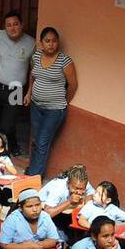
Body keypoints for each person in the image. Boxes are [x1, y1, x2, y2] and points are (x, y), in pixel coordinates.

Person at [24, 26, 76, 179]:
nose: (51, 44)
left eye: (54, 41)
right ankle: (33, 169)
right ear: (41, 42)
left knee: (42, 142)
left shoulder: (64, 61)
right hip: (36, 106)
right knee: (35, 140)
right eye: (47, 41)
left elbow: (73, 84)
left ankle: (34, 177)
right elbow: (33, 76)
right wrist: (28, 93)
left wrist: (64, 102)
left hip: (54, 110)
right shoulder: (36, 57)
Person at [0, 10, 34, 156]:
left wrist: (29, 92)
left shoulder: (31, 43)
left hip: (16, 89)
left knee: (8, 124)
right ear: (5, 27)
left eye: (15, 24)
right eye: (8, 25)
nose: (12, 28)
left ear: (22, 25)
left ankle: (8, 147)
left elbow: (33, 69)